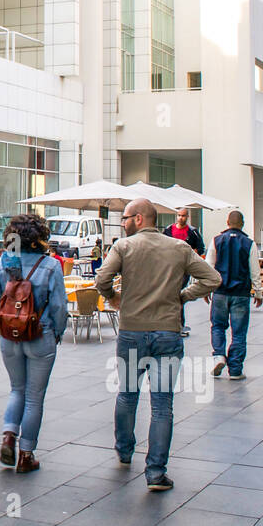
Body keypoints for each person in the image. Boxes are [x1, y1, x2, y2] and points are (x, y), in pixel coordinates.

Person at [96, 199, 221, 492]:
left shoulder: (123, 247)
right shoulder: (179, 248)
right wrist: (184, 296)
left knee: (127, 395)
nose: (123, 222)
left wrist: (114, 299)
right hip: (168, 332)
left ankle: (125, 450)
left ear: (139, 218)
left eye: (126, 217)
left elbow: (102, 279)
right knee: (163, 404)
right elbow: (212, 278)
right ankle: (155, 473)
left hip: (132, 332)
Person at [0, 214, 68, 474]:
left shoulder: (3, 262)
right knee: (34, 398)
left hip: (9, 336)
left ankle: (8, 436)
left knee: (16, 389)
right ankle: (26, 455)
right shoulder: (51, 266)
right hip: (40, 334)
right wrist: (57, 333)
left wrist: (2, 326)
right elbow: (59, 308)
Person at [204, 210, 263, 380]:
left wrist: (206, 288)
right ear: (242, 223)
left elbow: (209, 267)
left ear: (227, 222)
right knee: (239, 332)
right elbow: (254, 271)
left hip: (220, 292)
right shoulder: (249, 244)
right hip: (241, 294)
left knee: (217, 326)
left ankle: (219, 355)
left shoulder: (216, 241)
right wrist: (258, 292)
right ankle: (236, 369)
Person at [163, 207, 206, 337]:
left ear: (187, 217)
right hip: (169, 268)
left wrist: (193, 255)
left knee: (176, 294)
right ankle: (171, 323)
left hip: (183, 269)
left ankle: (178, 325)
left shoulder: (192, 232)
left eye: (183, 216)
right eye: (179, 215)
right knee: (172, 295)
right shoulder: (168, 230)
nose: (181, 218)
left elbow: (201, 248)